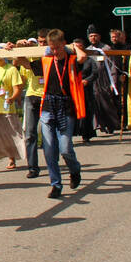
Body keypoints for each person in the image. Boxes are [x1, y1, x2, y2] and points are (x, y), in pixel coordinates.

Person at [38, 29, 87, 199]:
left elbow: (82, 57)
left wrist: (73, 46)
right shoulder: (46, 60)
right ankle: (56, 184)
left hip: (66, 107)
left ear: (63, 44)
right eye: (51, 48)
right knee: (49, 148)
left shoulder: (72, 60)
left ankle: (75, 170)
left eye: (57, 48)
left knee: (65, 148)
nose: (54, 51)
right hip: (48, 107)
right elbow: (22, 62)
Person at [15, 39, 45, 179]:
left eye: (44, 42)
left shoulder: (49, 56)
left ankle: (53, 162)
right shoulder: (30, 56)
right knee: (29, 133)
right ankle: (33, 167)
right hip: (31, 96)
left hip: (47, 96)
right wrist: (16, 46)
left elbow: (25, 63)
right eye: (39, 42)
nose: (41, 44)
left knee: (48, 133)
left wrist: (22, 50)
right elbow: (18, 65)